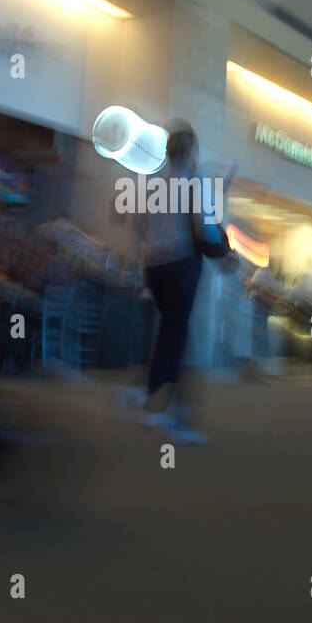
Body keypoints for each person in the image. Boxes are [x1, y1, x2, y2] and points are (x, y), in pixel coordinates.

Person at [120, 121, 217, 444]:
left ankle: (157, 399)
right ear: (191, 150)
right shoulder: (194, 176)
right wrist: (224, 254)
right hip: (181, 263)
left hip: (154, 267)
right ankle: (163, 407)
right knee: (176, 334)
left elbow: (138, 227)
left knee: (170, 332)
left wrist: (143, 262)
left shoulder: (152, 181)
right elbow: (203, 225)